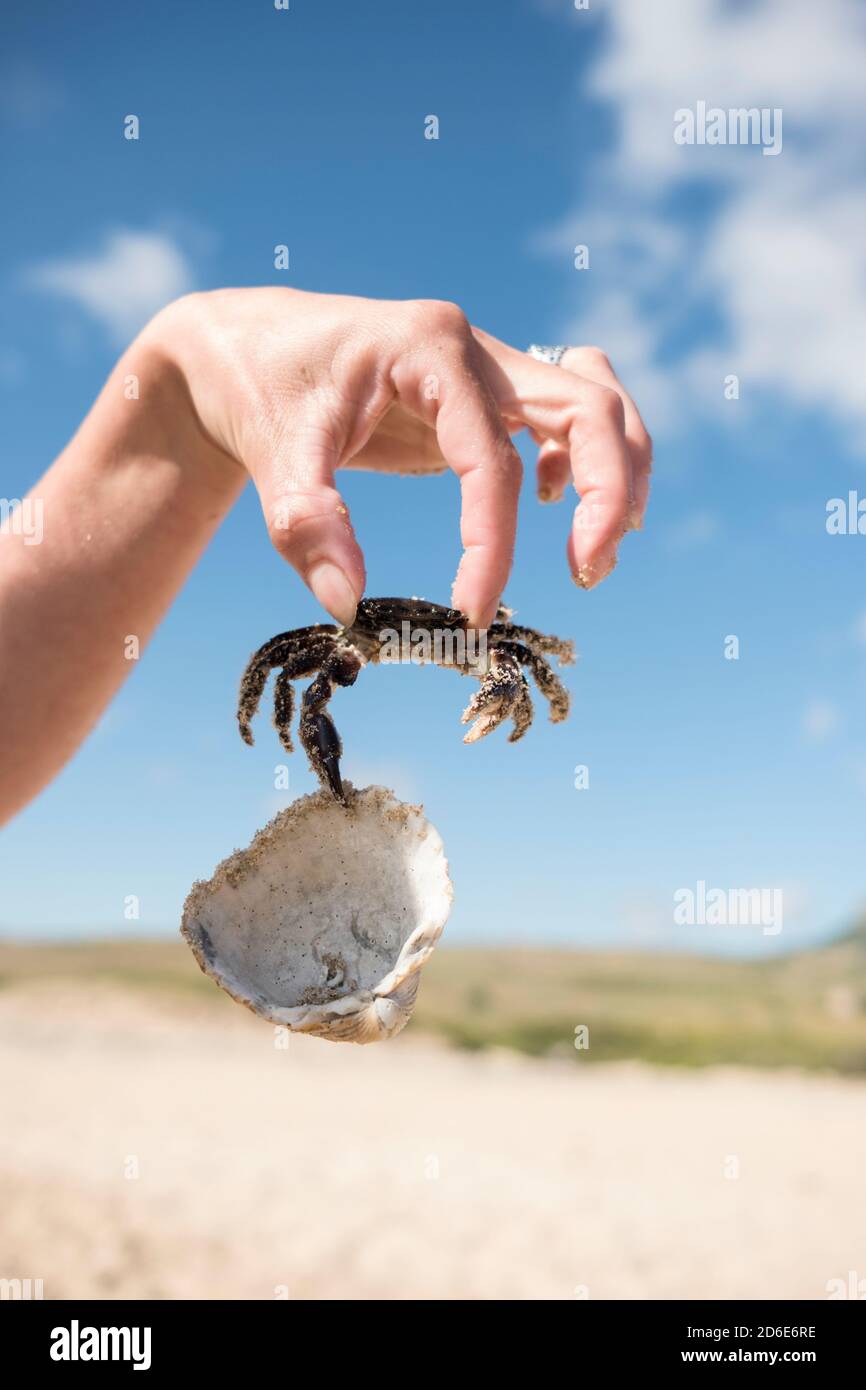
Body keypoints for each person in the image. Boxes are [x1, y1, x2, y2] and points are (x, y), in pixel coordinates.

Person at [0, 287, 651, 826]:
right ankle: (328, 778)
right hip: (363, 631)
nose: (414, 639)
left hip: (454, 638)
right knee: (298, 684)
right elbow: (274, 668)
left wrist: (184, 391)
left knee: (520, 657)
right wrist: (186, 358)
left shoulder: (469, 639)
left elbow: (532, 663)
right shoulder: (345, 642)